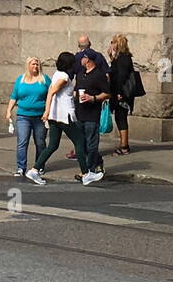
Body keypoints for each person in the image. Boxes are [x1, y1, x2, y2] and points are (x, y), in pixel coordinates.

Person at [25, 52, 85, 184]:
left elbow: (54, 92)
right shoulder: (64, 77)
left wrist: (48, 112)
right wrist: (46, 111)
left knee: (53, 145)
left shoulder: (58, 73)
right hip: (64, 115)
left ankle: (34, 170)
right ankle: (86, 173)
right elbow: (52, 92)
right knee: (80, 141)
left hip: (55, 115)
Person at [6, 56, 49, 178]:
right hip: (23, 115)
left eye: (37, 64)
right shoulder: (21, 79)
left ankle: (39, 166)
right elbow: (14, 96)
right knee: (22, 142)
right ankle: (21, 167)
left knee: (40, 142)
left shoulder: (44, 79)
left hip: (40, 116)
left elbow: (51, 95)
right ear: (28, 66)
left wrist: (48, 111)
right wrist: (9, 110)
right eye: (33, 64)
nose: (35, 66)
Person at [73, 50, 110, 183]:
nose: (80, 61)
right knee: (81, 144)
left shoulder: (98, 75)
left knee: (91, 143)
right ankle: (96, 163)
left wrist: (93, 98)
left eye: (81, 58)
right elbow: (76, 90)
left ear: (87, 59)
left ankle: (90, 170)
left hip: (92, 114)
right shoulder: (80, 74)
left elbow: (107, 93)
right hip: (79, 113)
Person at [108, 33, 142, 155]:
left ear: (118, 44)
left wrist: (119, 93)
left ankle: (124, 146)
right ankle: (123, 144)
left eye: (113, 42)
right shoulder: (121, 57)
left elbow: (121, 77)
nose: (111, 44)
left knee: (121, 117)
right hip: (121, 92)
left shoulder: (122, 58)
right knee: (119, 117)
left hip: (122, 93)